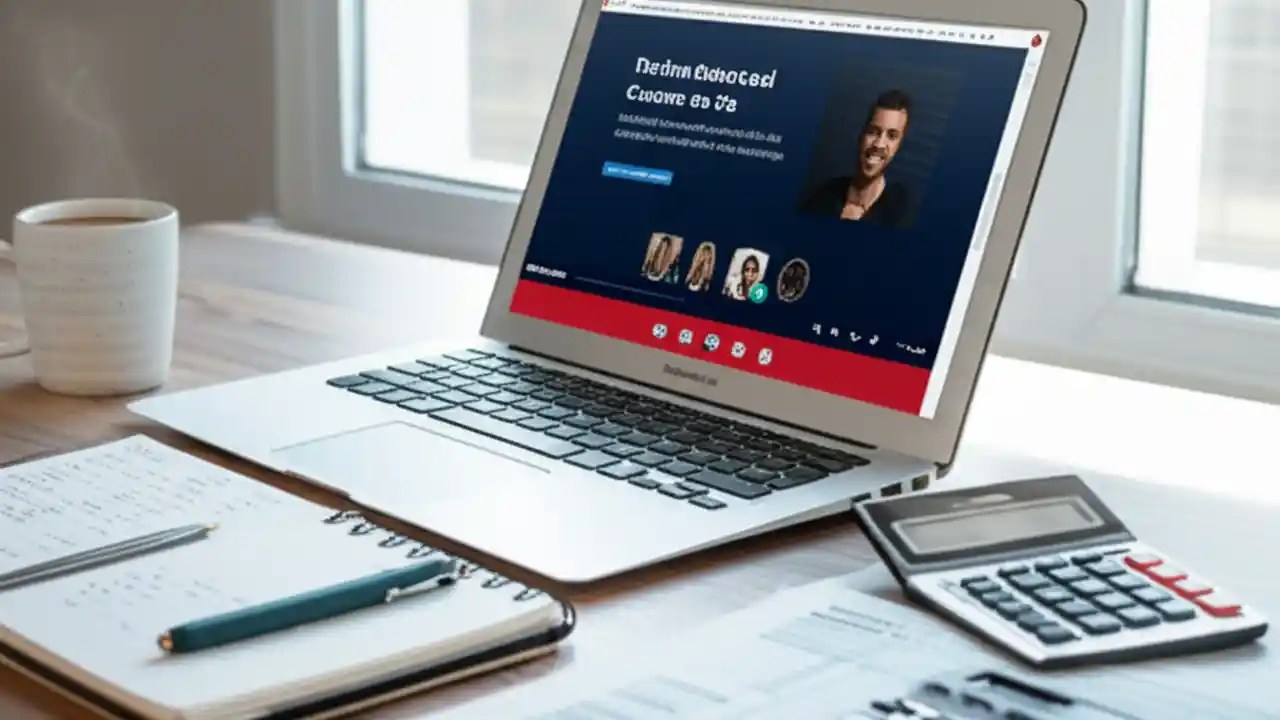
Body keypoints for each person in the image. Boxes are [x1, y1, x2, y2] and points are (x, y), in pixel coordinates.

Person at [800, 89, 914, 227]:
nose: (879, 144)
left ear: (899, 145)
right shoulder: (822, 198)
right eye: (873, 132)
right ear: (861, 135)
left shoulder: (901, 215)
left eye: (892, 136)